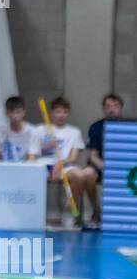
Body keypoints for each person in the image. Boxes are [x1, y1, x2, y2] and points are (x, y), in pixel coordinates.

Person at [35, 96, 96, 229]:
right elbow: (32, 152)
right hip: (42, 165)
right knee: (32, 176)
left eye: (64, 112)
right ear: (51, 112)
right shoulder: (40, 129)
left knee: (80, 175)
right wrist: (47, 146)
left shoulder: (74, 132)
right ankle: (35, 215)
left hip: (65, 165)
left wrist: (60, 163)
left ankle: (67, 212)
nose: (61, 115)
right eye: (58, 111)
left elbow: (73, 156)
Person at [85, 92, 125, 228]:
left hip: (124, 168)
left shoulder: (129, 127)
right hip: (101, 166)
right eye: (108, 106)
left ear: (121, 109)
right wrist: (105, 167)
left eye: (115, 106)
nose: (111, 109)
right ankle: (96, 211)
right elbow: (93, 155)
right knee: (88, 174)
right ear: (103, 109)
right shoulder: (95, 127)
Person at [0, 95, 39, 162]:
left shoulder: (32, 132)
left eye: (18, 112)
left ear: (24, 112)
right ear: (6, 113)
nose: (14, 116)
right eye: (11, 112)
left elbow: (31, 159)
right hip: (3, 169)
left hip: (24, 169)